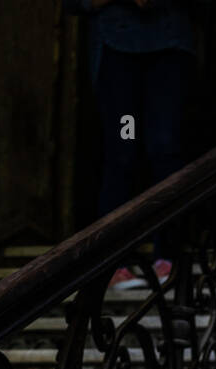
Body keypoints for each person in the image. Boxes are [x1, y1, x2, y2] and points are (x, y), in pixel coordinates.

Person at [65, 0, 208, 288]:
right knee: (122, 152)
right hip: (115, 45)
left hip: (170, 42)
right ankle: (114, 262)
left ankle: (168, 255)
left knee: (164, 147)